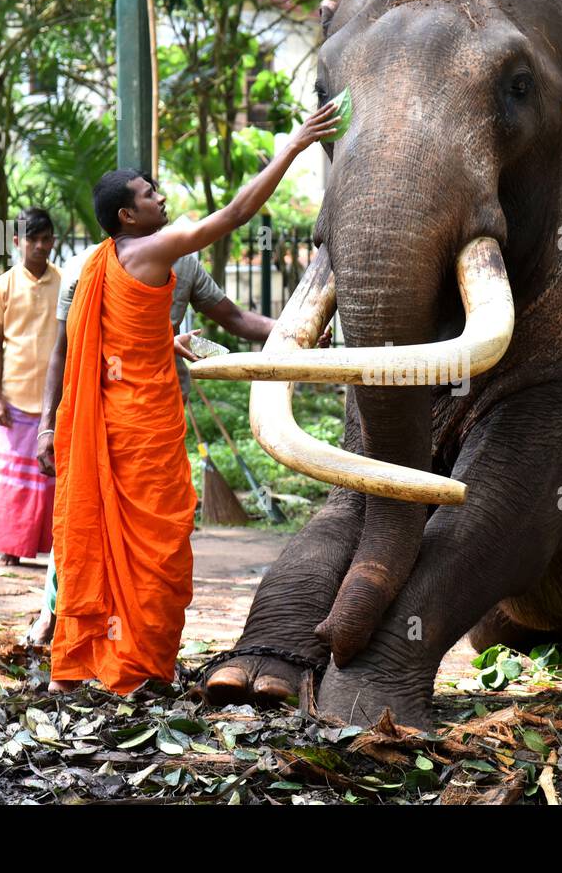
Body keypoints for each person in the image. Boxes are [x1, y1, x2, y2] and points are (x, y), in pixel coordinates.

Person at [43, 102, 340, 693]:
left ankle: (95, 664)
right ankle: (136, 667)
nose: (160, 198)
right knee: (156, 548)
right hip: (138, 427)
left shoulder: (120, 260)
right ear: (128, 215)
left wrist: (169, 341)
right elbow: (234, 212)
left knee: (129, 542)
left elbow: (138, 334)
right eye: (149, 194)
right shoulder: (154, 248)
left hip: (125, 420)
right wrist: (295, 145)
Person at [0, 207, 61, 567]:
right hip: (14, 400)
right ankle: (11, 548)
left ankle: (54, 547)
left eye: (47, 239)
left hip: (55, 402)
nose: (40, 246)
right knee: (13, 481)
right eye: (33, 239)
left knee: (52, 479)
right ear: (17, 242)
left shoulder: (65, 283)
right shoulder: (1, 286)